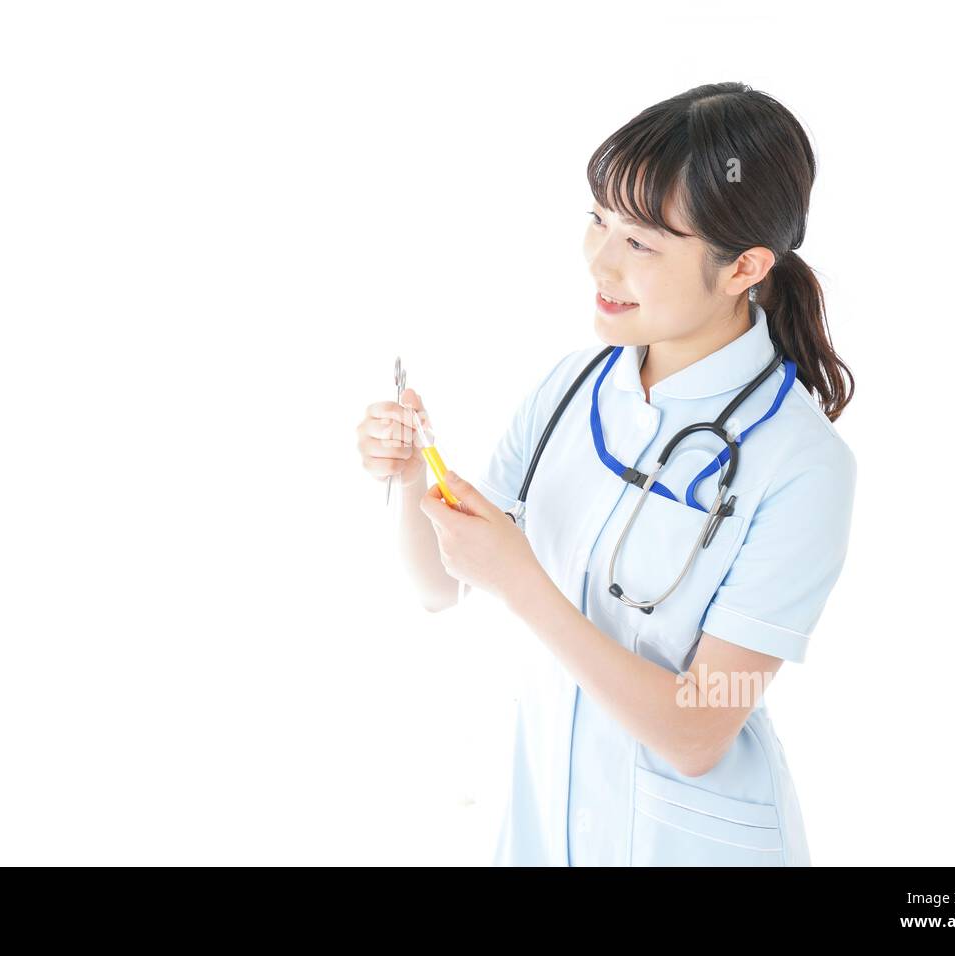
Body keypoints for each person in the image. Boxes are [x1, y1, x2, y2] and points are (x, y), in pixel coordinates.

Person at [355, 82, 856, 866]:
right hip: (542, 823)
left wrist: (522, 582)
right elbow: (440, 587)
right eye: (599, 220)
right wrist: (410, 480)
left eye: (643, 243)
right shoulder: (571, 389)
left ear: (743, 267)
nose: (601, 259)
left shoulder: (801, 465)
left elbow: (699, 729)